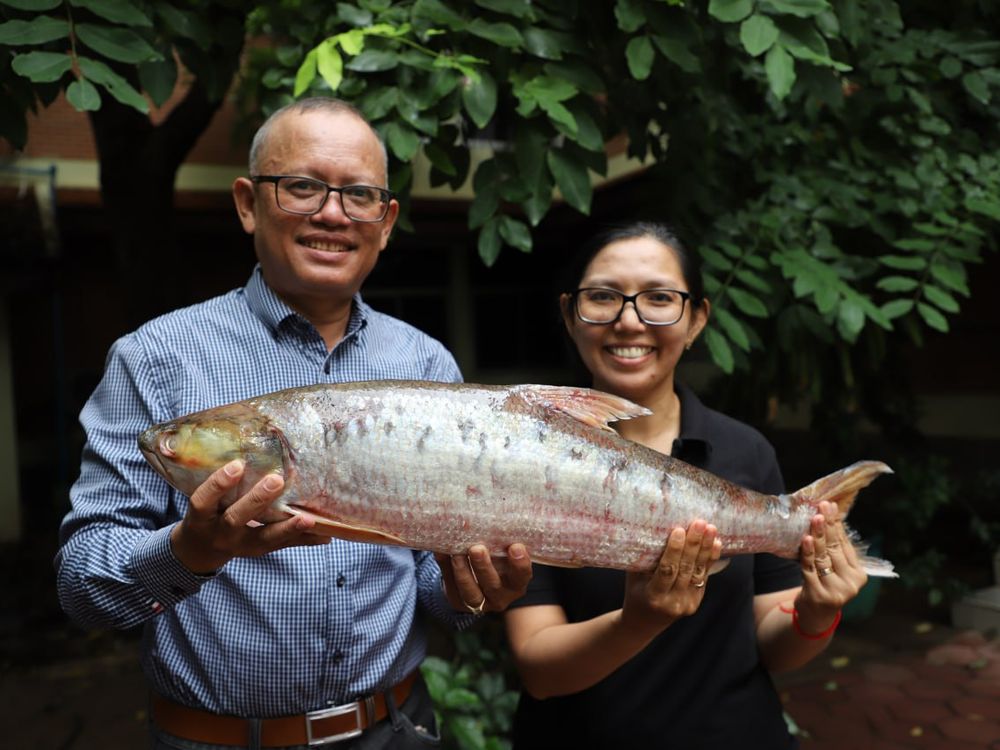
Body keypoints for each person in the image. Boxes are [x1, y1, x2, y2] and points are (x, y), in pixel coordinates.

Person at [55, 96, 531, 750]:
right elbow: (82, 584)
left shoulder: (424, 363)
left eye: (359, 194)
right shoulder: (155, 359)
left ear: (386, 221)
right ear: (248, 203)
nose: (333, 214)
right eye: (303, 187)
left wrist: (474, 593)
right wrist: (188, 552)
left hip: (397, 730)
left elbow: (430, 576)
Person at [504, 221, 869, 749]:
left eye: (659, 298)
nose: (629, 322)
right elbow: (540, 669)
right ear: (569, 314)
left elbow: (775, 644)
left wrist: (817, 612)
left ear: (696, 319)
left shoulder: (746, 452)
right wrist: (638, 621)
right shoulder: (521, 457)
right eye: (603, 297)